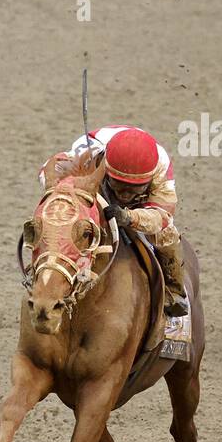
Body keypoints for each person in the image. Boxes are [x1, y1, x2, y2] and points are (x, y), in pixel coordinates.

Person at [56, 126, 189, 316]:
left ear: (149, 180)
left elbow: (162, 216)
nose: (124, 194)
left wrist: (129, 217)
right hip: (98, 184)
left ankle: (174, 290)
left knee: (167, 235)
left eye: (133, 188)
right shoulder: (87, 151)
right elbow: (51, 170)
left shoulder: (161, 168)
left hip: (140, 204)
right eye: (120, 185)